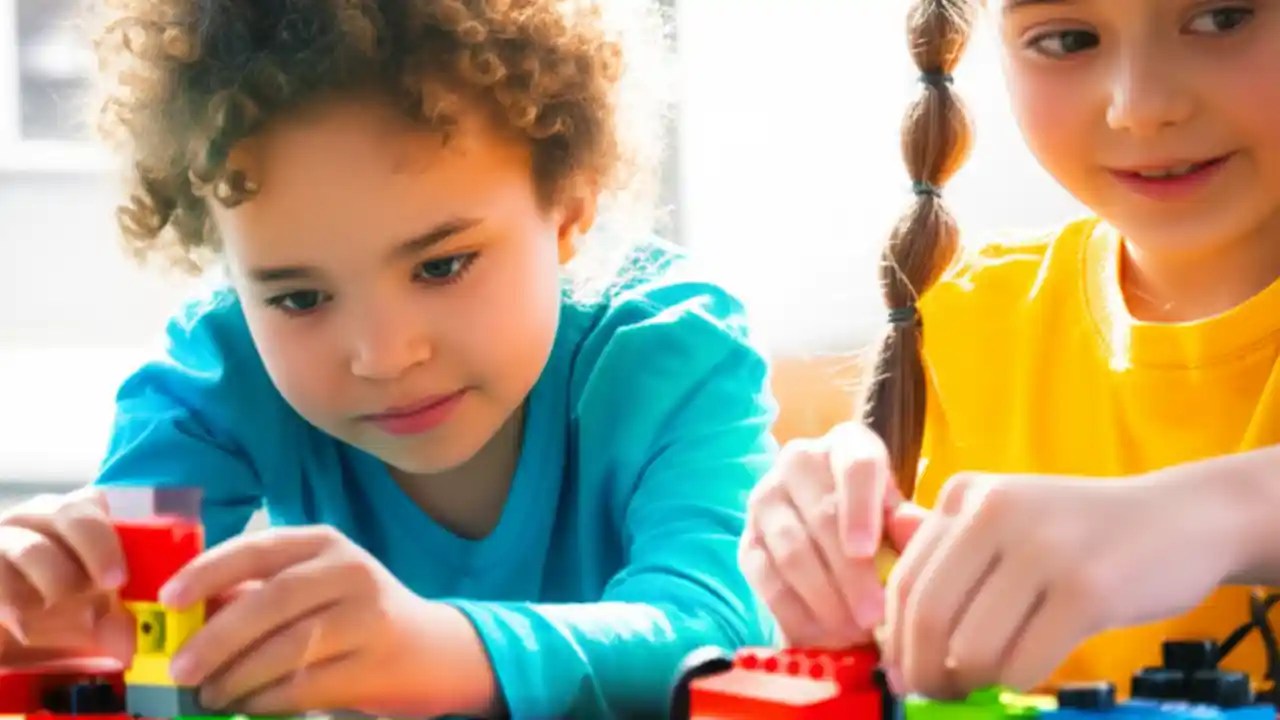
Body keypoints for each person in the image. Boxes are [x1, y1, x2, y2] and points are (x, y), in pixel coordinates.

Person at [0, 1, 779, 717]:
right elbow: (134, 631)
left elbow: (717, 637)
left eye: (442, 266)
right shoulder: (221, 371)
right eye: (300, 298)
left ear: (571, 205)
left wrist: (441, 650)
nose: (383, 356)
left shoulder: (675, 356)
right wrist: (57, 606)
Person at [740, 0, 1280, 703]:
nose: (1140, 108)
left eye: (1223, 18)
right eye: (1067, 39)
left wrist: (1210, 515)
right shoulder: (969, 322)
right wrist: (834, 596)